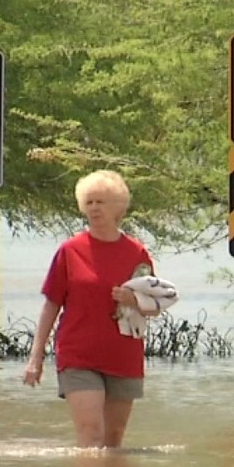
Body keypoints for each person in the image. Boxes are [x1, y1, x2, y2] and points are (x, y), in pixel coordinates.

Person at [24, 170, 159, 448]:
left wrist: (133, 300)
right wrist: (35, 358)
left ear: (118, 207)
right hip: (78, 355)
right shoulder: (70, 251)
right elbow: (51, 305)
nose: (94, 208)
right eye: (90, 202)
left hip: (123, 354)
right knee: (91, 433)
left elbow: (155, 305)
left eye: (101, 202)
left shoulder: (137, 253)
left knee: (112, 441)